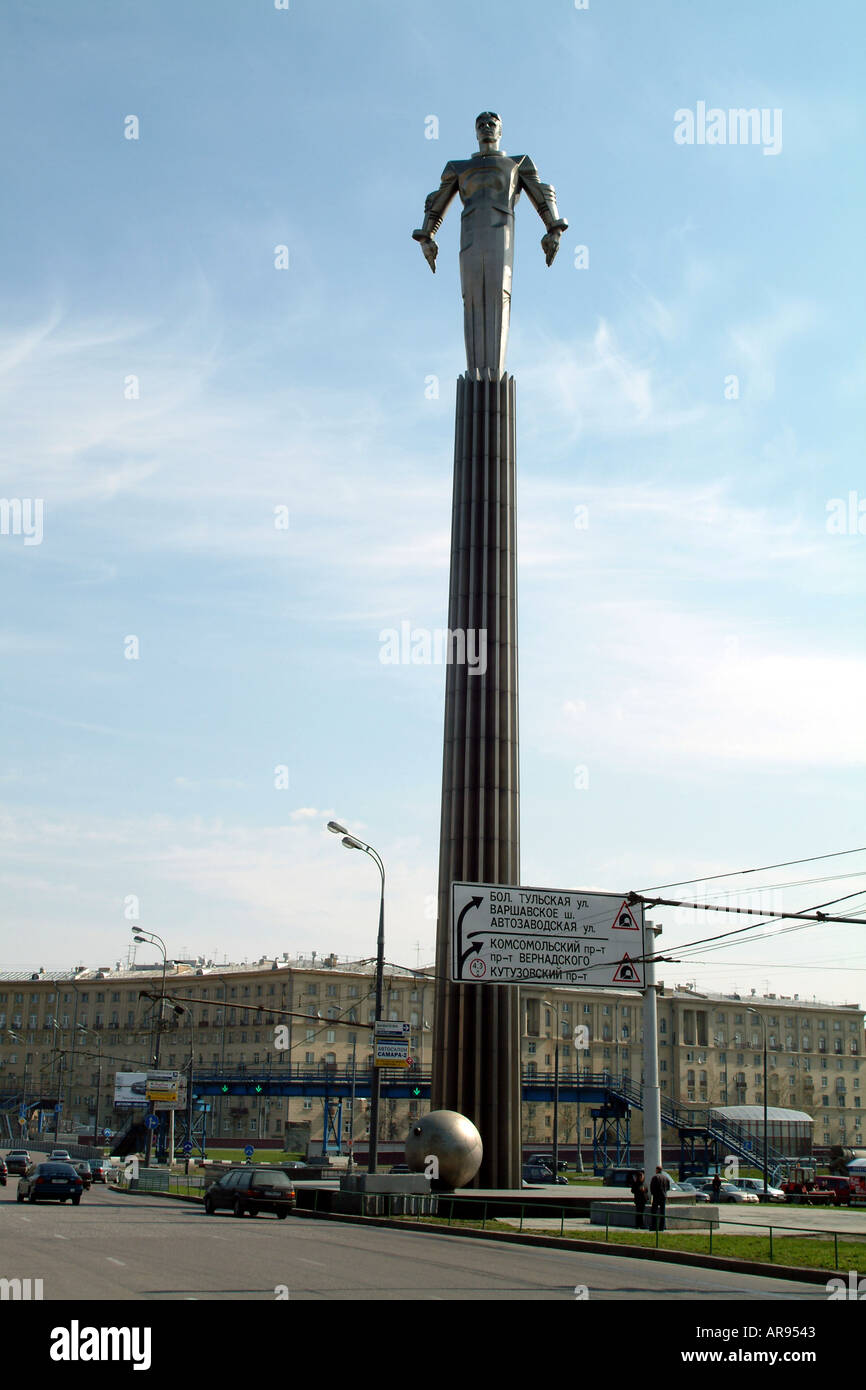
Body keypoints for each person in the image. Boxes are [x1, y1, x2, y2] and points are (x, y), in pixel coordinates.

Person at [650, 1165, 670, 1232]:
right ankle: (662, 1227)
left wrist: (653, 1194)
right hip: (663, 1196)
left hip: (656, 1196)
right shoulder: (666, 1178)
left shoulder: (655, 1177)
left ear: (657, 1170)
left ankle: (654, 1226)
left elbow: (652, 1188)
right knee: (662, 1212)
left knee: (654, 1212)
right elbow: (668, 1188)